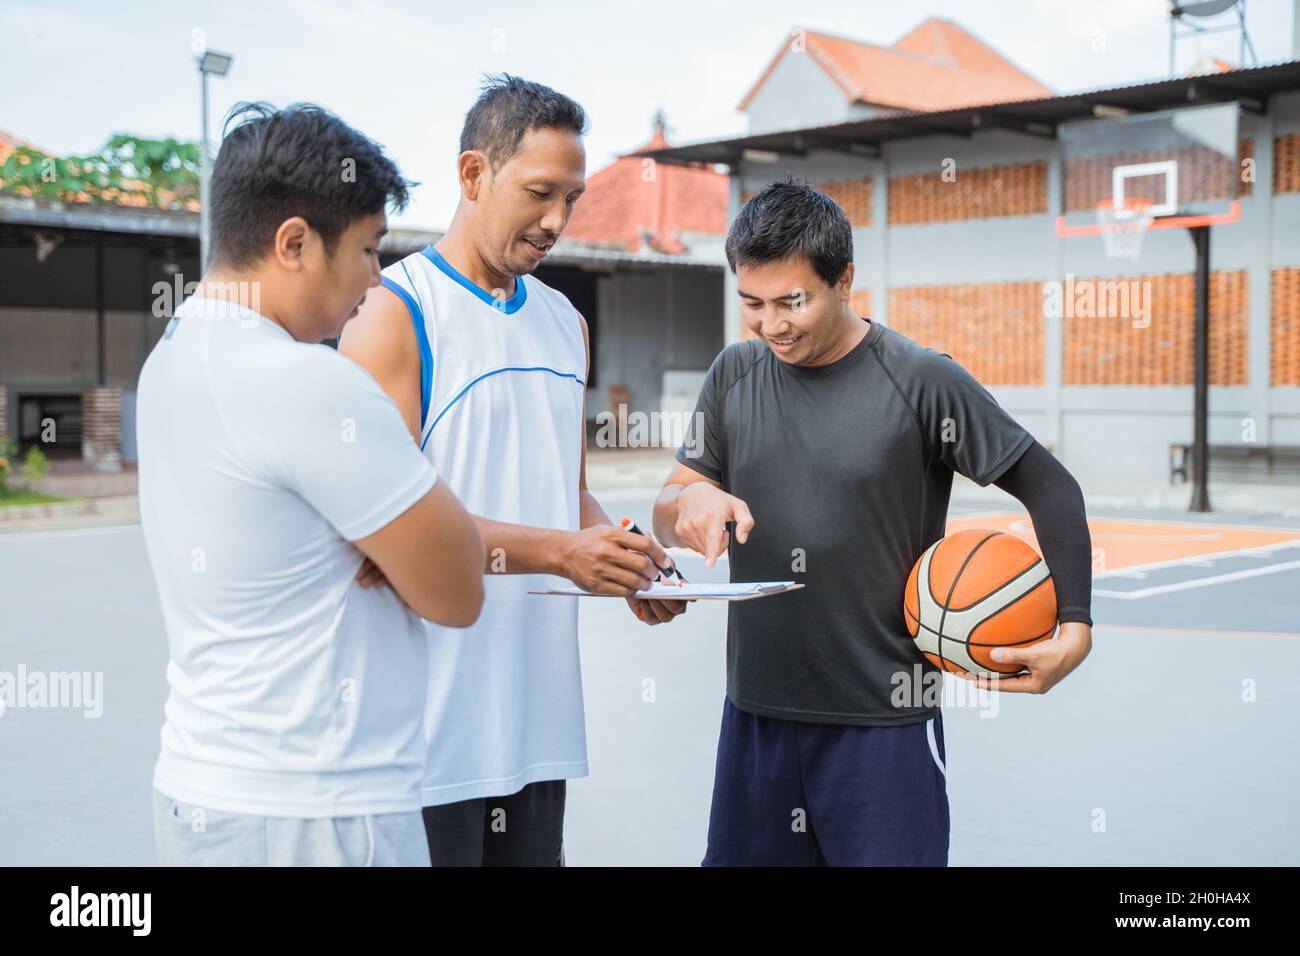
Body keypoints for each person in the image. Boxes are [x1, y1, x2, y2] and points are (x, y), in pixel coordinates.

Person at [652, 180, 1094, 866]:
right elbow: (669, 502)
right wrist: (691, 502)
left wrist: (1075, 629)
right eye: (753, 303)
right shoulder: (733, 374)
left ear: (844, 279)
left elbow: (1051, 488)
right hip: (756, 718)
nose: (772, 325)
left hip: (884, 725)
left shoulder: (920, 380)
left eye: (792, 301)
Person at [339, 75, 685, 866]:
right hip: (427, 732)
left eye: (573, 197)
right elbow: (379, 537)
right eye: (539, 193)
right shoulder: (394, 311)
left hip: (536, 717)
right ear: (472, 175)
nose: (558, 221)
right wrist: (564, 554)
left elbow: (566, 489)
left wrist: (624, 555)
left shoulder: (565, 323)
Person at [138, 103, 485, 867]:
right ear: (294, 242)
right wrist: (399, 543)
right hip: (316, 811)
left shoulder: (170, 356)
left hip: (206, 789)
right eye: (366, 249)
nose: (378, 276)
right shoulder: (308, 381)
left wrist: (386, 543)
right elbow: (459, 587)